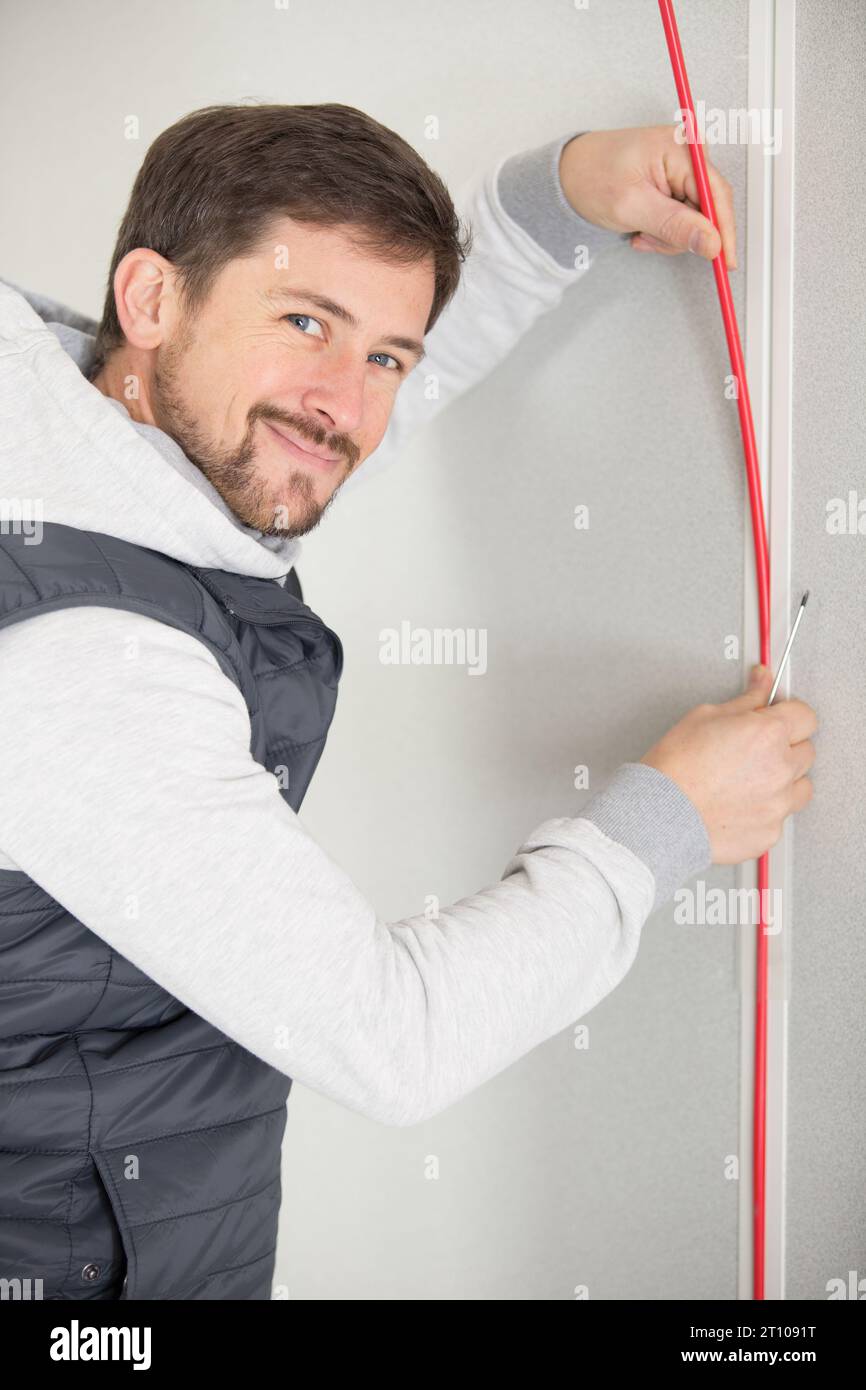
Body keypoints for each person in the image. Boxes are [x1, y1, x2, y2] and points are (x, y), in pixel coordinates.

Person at [0, 104, 815, 1301]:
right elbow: (396, 1038)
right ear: (152, 298)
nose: (346, 399)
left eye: (384, 354)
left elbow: (304, 428)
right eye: (303, 322)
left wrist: (549, 207)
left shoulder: (78, 418)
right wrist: (665, 821)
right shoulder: (82, 667)